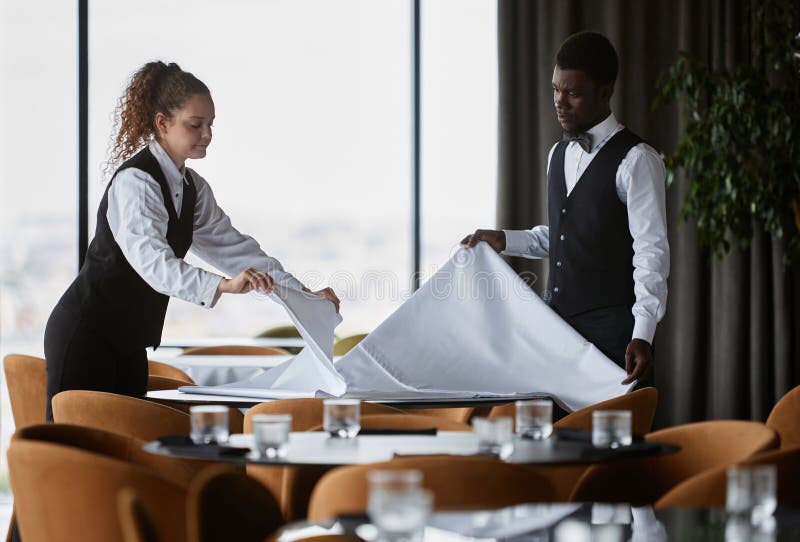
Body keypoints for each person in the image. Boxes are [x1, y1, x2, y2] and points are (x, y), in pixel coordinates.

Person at [44, 61, 339, 420]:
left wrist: (304, 295)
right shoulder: (135, 183)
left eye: (210, 124)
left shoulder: (192, 187)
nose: (206, 134)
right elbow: (154, 264)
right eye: (194, 125)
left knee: (130, 455)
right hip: (86, 336)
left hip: (130, 343)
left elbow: (238, 251)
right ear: (162, 123)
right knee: (82, 459)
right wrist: (223, 285)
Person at [462, 31, 669, 386]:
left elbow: (652, 252)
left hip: (613, 335)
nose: (560, 101)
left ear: (605, 92)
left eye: (572, 93)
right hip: (556, 330)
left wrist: (643, 333)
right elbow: (563, 236)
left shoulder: (638, 160)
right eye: (556, 90)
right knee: (552, 434)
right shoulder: (557, 154)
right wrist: (503, 239)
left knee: (605, 437)